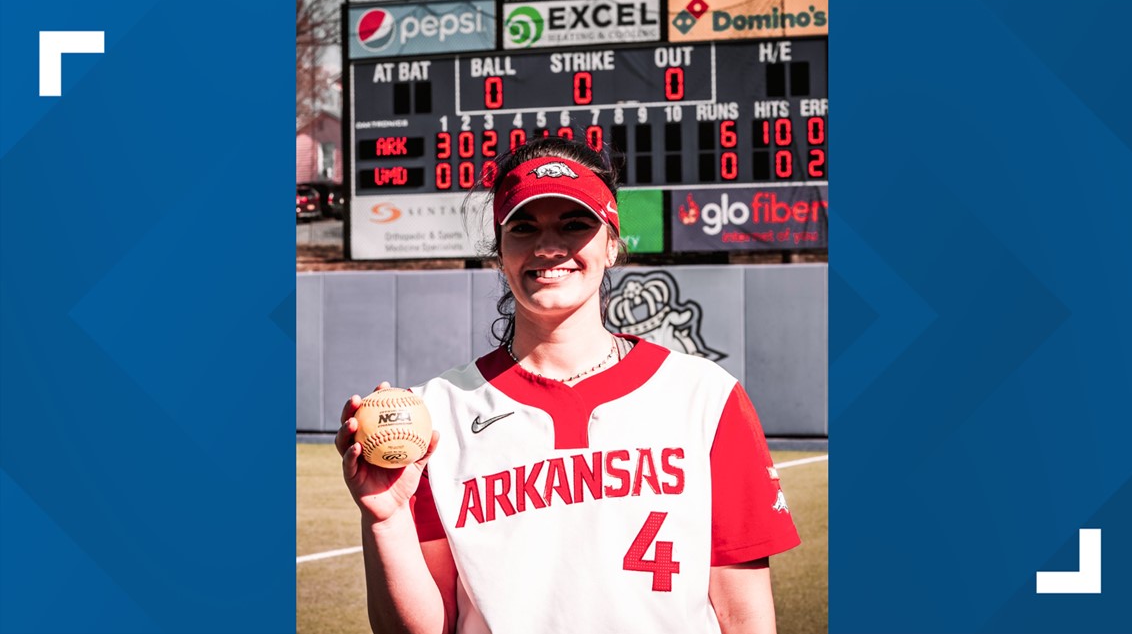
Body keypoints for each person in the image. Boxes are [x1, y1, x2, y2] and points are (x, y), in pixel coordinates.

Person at [336, 137, 800, 634]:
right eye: (523, 227)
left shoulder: (705, 396)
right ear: (499, 251)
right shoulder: (436, 416)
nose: (548, 247)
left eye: (575, 224)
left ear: (612, 243)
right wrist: (385, 521)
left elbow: (744, 614)